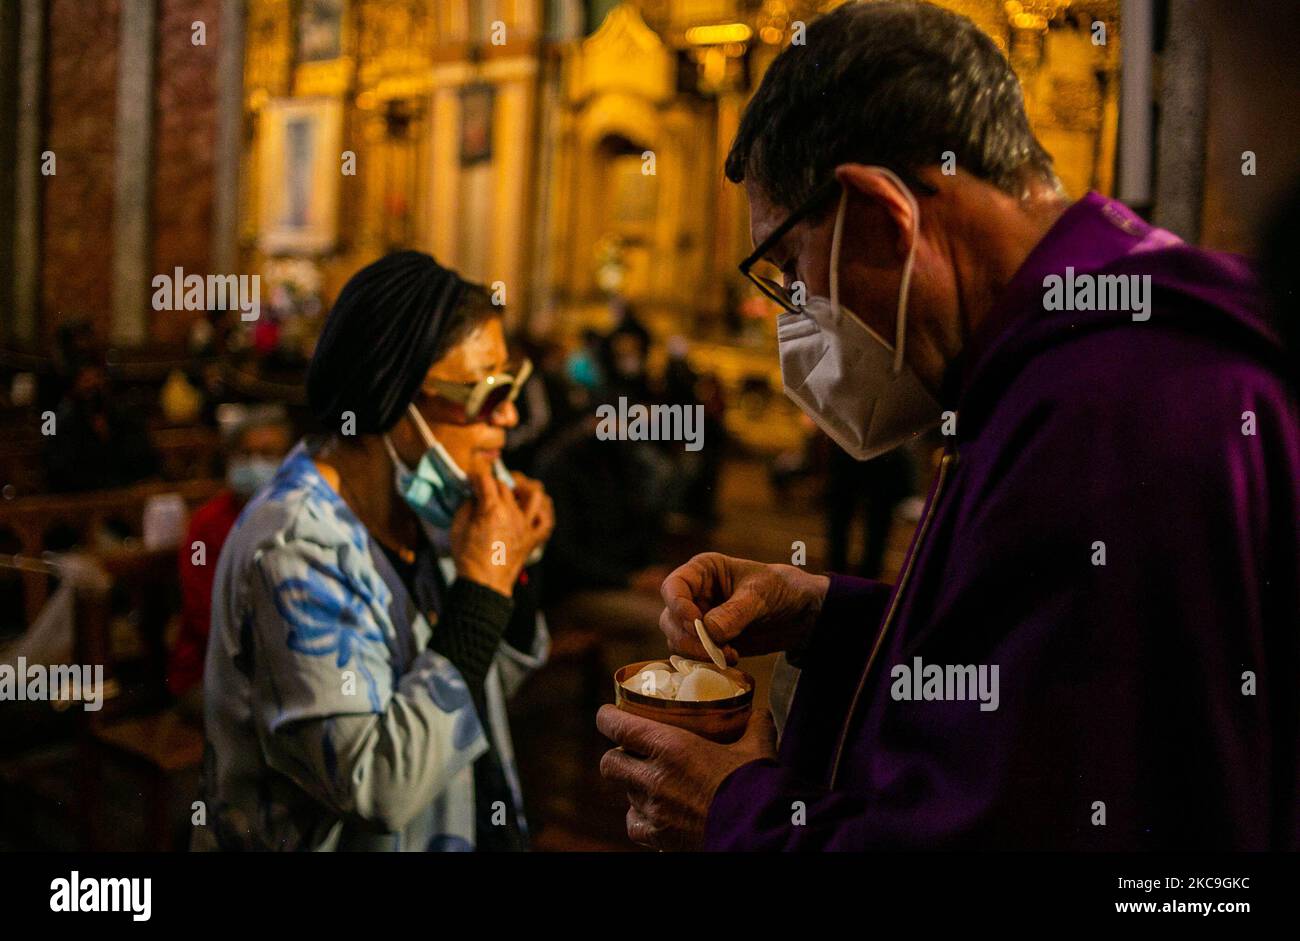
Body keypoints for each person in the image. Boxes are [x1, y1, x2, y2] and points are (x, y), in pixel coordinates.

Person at [597, 0, 1300, 851]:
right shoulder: (1095, 338)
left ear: (883, 215)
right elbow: (1045, 673)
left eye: (791, 270)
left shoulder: (1097, 413)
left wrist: (736, 810)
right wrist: (835, 616)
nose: (797, 315)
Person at [198, 252, 554, 851]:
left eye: (511, 387)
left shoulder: (424, 511)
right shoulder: (295, 549)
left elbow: (474, 688)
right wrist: (485, 585)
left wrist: (513, 565)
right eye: (488, 393)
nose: (511, 416)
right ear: (392, 398)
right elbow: (378, 785)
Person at [167, 404, 293, 719]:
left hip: (286, 666)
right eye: (246, 455)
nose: (255, 465)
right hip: (213, 673)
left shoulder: (295, 516)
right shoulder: (207, 525)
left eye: (268, 455)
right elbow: (204, 615)